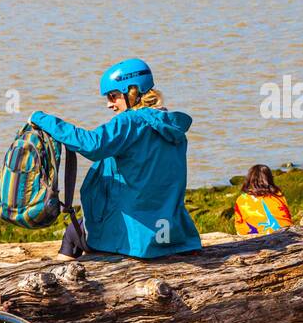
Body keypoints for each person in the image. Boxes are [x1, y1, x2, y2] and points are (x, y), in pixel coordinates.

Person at [29, 58, 202, 259]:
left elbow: (90, 144)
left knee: (72, 234)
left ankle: (60, 286)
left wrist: (42, 119)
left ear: (133, 91)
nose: (109, 104)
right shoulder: (173, 128)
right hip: (173, 234)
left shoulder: (130, 122)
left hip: (136, 238)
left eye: (113, 96)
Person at [233, 164, 293, 235]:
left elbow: (238, 225)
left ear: (249, 179)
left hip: (258, 238)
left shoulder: (242, 199)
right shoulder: (278, 195)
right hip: (287, 233)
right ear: (269, 179)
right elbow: (287, 215)